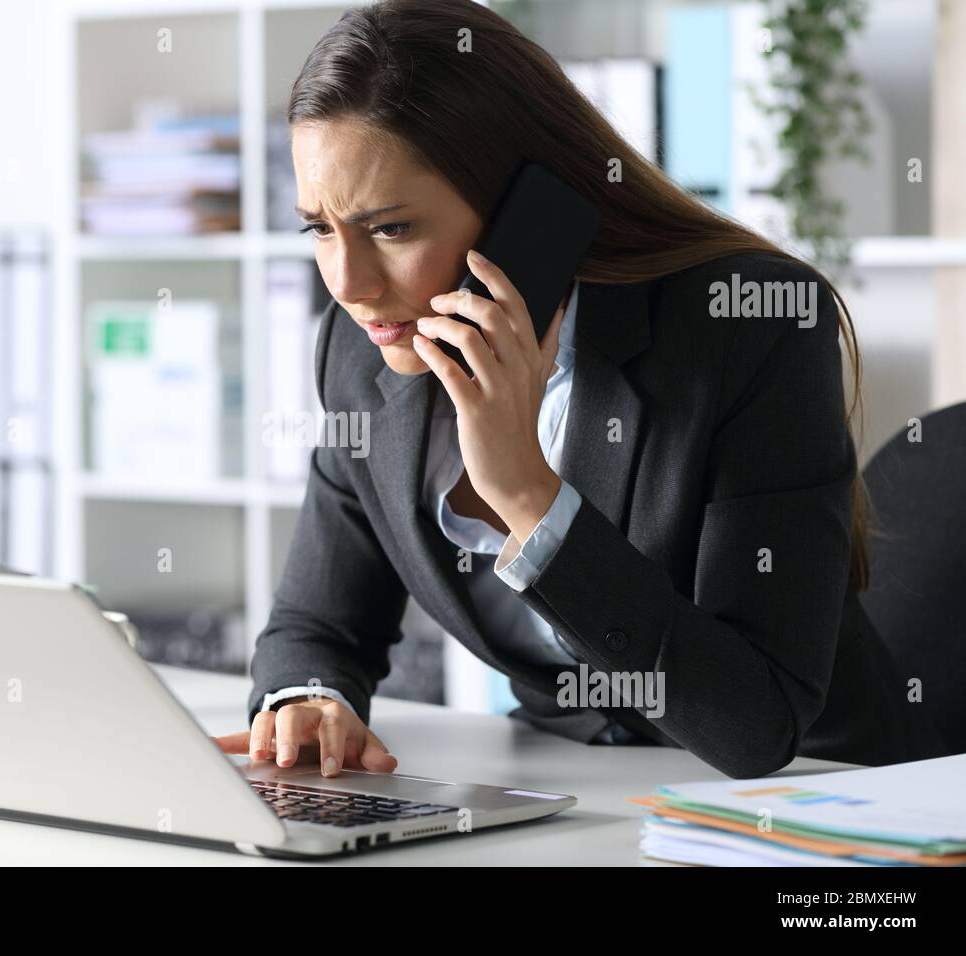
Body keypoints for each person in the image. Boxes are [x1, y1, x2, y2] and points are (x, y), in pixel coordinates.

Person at [211, 0, 948, 780]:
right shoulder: (362, 356)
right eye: (319, 229)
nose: (349, 285)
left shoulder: (747, 328)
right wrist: (305, 699)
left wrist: (528, 494)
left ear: (529, 210)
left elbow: (756, 726)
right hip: (576, 785)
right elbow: (317, 622)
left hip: (815, 798)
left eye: (391, 229)